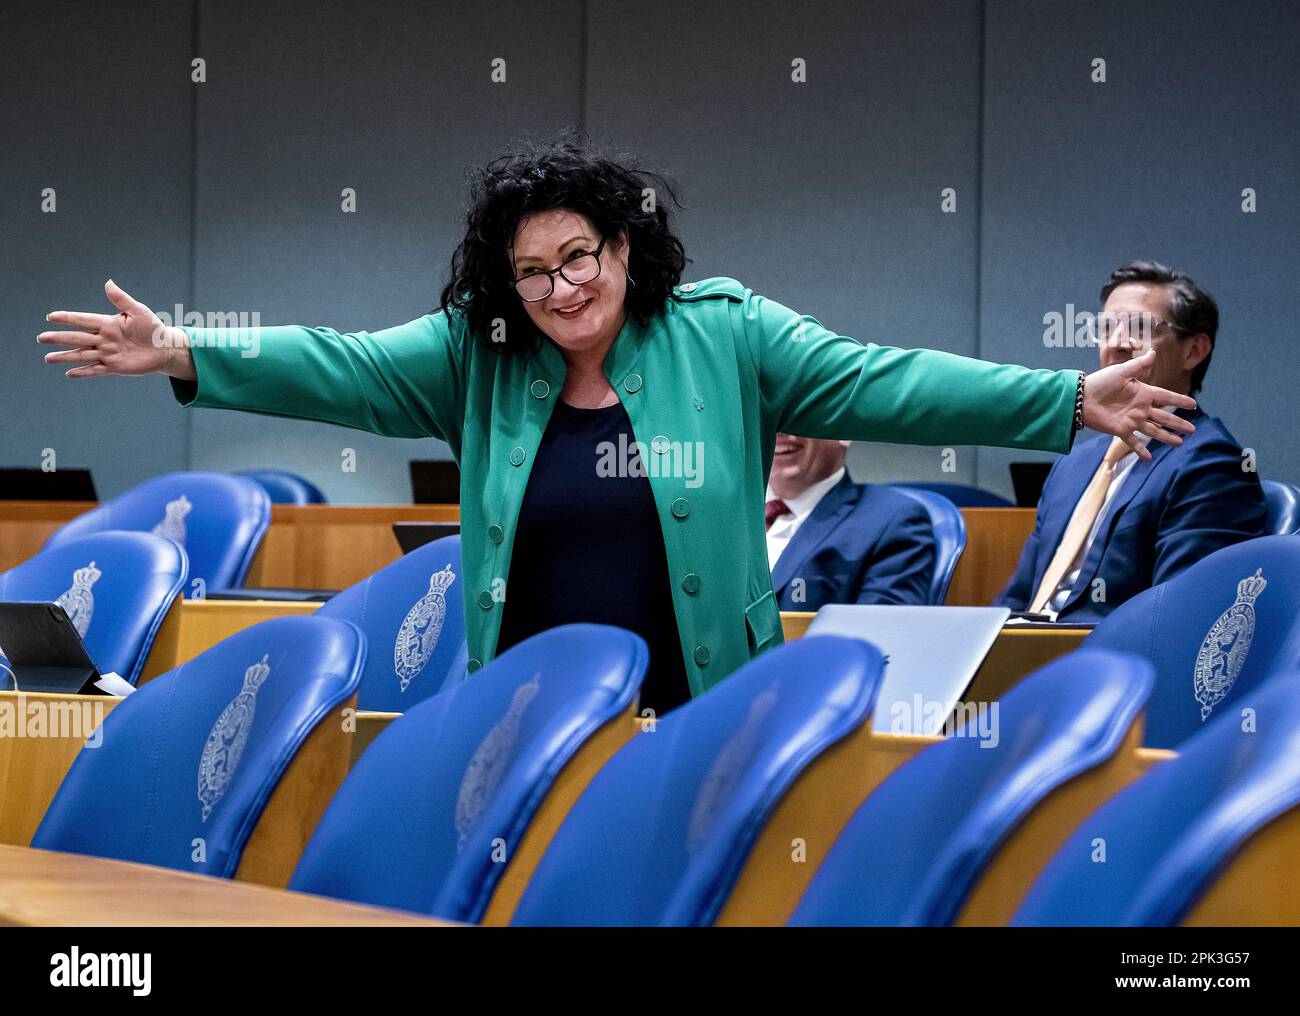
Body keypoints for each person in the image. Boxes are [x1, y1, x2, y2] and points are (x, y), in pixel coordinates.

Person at [39, 132, 1195, 715]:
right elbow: (339, 365)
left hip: (697, 704)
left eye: (577, 257)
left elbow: (879, 379)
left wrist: (1060, 397)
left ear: (624, 249)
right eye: (531, 271)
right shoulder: (477, 355)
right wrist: (187, 349)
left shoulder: (723, 332)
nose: (558, 290)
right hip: (528, 703)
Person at [996, 261, 1266, 622]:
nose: (1118, 344)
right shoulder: (1074, 462)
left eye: (1138, 328)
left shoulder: (1211, 463)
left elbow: (1177, 620)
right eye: (1107, 328)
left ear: (1194, 351)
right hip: (1024, 654)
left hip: (1109, 665)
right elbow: (1019, 597)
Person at [766, 434, 934, 609]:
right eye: (771, 418)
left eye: (795, 415)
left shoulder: (894, 521)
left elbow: (881, 630)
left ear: (843, 433)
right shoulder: (738, 513)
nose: (779, 431)